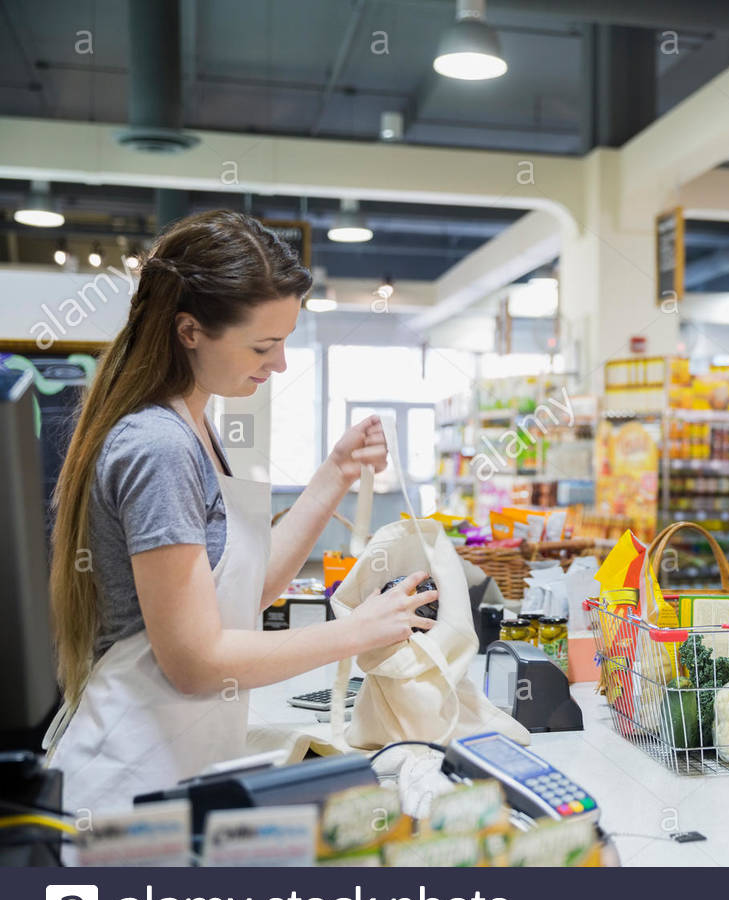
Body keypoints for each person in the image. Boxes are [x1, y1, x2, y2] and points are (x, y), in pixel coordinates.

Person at [44, 210, 438, 814]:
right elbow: (196, 663)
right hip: (125, 786)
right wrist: (353, 632)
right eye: (263, 344)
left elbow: (242, 590)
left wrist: (335, 474)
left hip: (173, 769)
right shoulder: (160, 446)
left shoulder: (192, 425)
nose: (279, 363)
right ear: (189, 331)